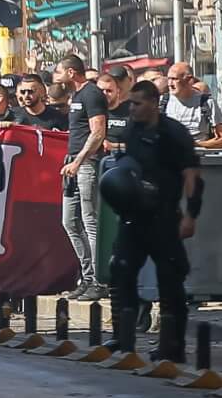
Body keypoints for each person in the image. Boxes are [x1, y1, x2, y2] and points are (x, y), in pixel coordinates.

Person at [104, 78, 203, 359]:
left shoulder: (173, 133)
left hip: (163, 216)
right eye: (130, 103)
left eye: (137, 104)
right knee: (121, 271)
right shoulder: (132, 130)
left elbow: (192, 177)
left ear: (153, 103)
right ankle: (122, 339)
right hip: (134, 216)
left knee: (170, 279)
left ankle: (172, 346)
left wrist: (191, 215)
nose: (131, 109)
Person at [60, 54, 110, 302]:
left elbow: (98, 131)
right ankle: (87, 276)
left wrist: (79, 160)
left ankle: (100, 280)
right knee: (69, 221)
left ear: (71, 72)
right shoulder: (75, 96)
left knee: (90, 221)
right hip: (73, 163)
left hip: (87, 164)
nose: (55, 77)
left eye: (59, 71)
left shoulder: (91, 94)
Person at [163, 61, 222, 150]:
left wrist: (196, 145)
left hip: (196, 159)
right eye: (169, 79)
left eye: (175, 79)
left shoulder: (207, 103)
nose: (170, 84)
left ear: (190, 80)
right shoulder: (162, 102)